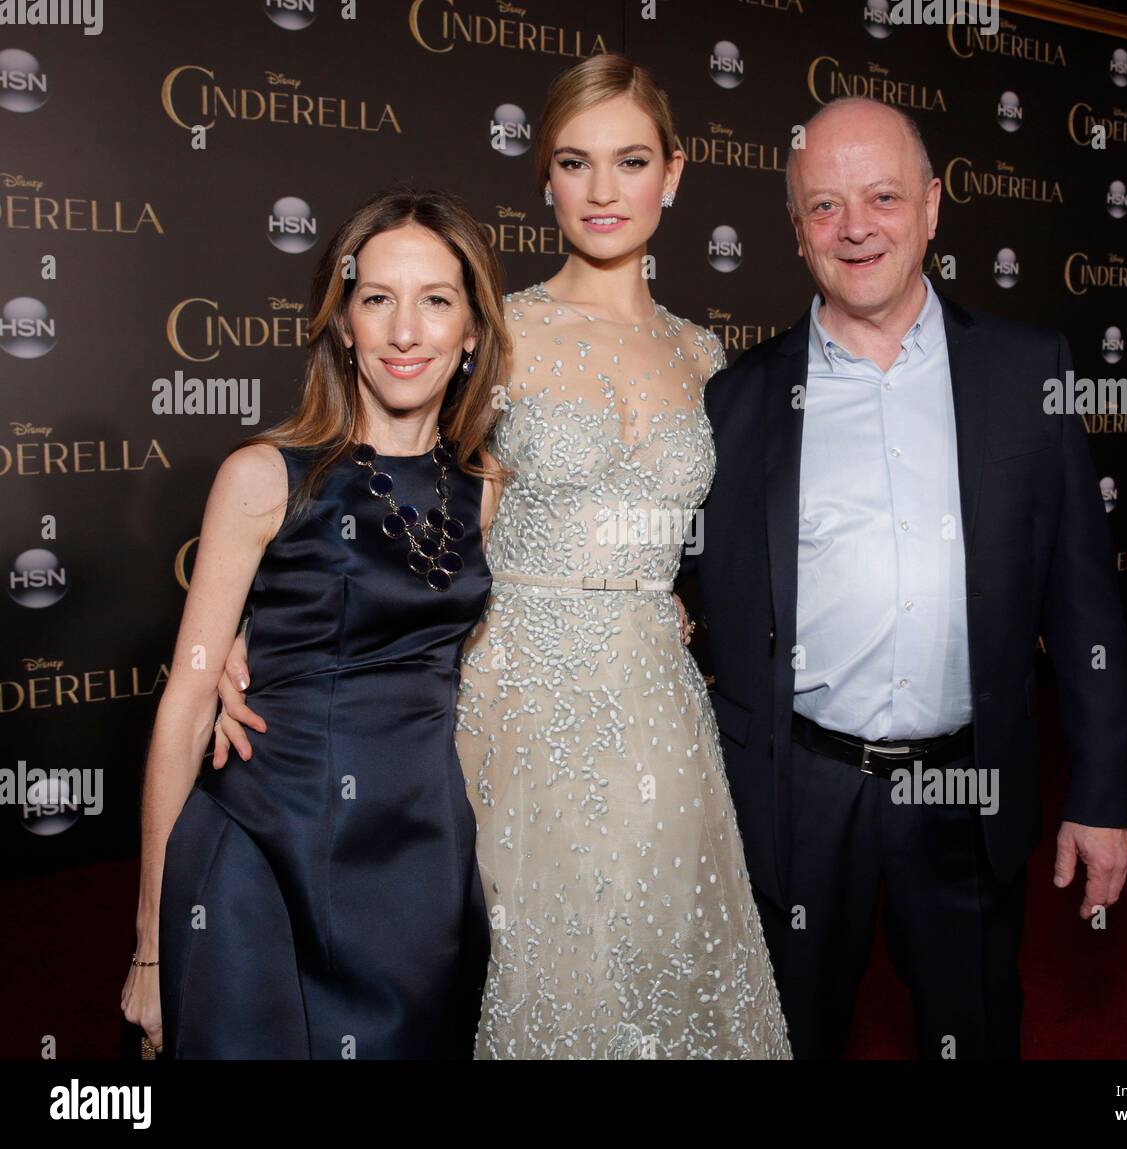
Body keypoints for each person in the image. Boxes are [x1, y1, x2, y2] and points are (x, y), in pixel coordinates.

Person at [214, 54, 792, 1061]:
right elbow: (374, 492)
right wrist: (245, 627)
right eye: (575, 163)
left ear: (676, 173)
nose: (603, 191)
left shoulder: (710, 360)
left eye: (630, 161)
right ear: (545, 179)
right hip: (514, 703)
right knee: (533, 978)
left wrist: (672, 607)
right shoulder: (495, 335)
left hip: (658, 706)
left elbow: (742, 543)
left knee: (662, 974)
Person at [678, 96, 1127, 1060]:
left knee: (973, 1030)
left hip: (969, 787)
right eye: (824, 206)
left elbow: (1086, 602)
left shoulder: (1030, 372)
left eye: (883, 196)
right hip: (800, 795)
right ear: (797, 232)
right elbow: (665, 579)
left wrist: (1101, 793)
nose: (856, 228)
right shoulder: (738, 400)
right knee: (788, 1038)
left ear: (932, 206)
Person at [120, 186, 508, 1059]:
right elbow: (185, 701)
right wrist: (149, 943)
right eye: (377, 299)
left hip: (420, 867)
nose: (405, 331)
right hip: (266, 850)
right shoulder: (264, 476)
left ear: (473, 329)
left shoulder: (486, 492)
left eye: (436, 300)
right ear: (344, 324)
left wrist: (664, 604)